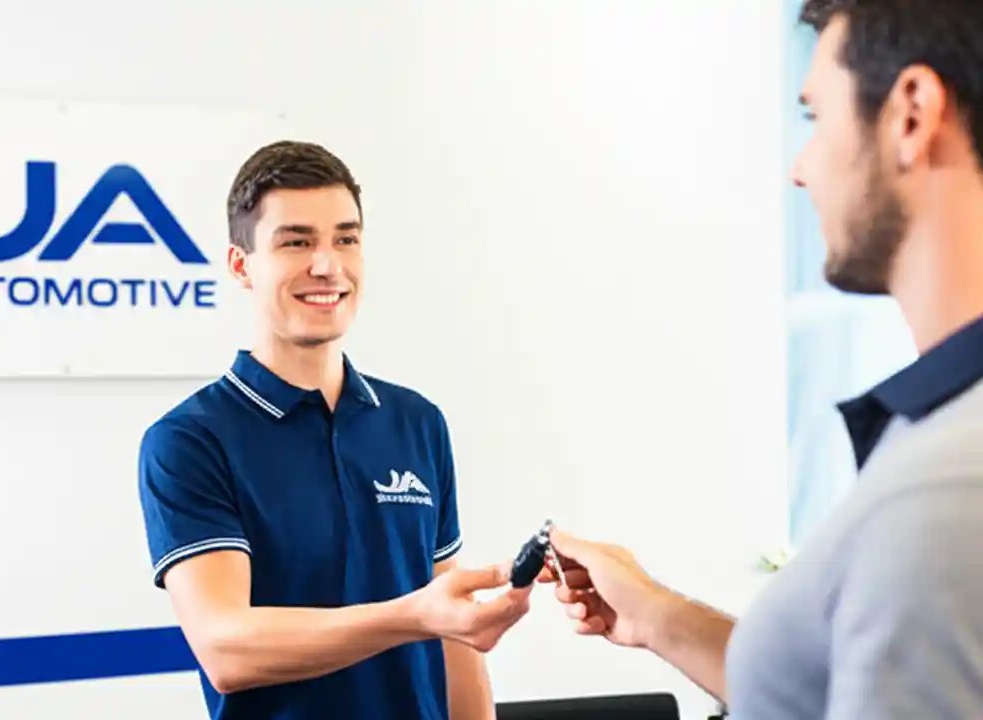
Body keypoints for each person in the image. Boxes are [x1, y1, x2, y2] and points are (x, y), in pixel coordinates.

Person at [543, 1, 983, 718]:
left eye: (815, 118)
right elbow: (830, 691)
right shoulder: (935, 436)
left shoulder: (942, 491)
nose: (801, 170)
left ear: (911, 114)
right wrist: (657, 615)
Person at [137, 140, 532, 720]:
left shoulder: (416, 422)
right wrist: (414, 617)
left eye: (345, 240)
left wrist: (439, 622)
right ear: (241, 266)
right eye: (296, 242)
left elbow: (454, 638)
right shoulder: (190, 441)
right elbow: (227, 648)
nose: (327, 266)